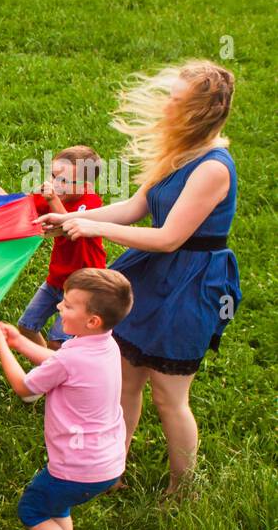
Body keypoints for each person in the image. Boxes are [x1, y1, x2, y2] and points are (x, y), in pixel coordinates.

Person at [39, 61, 239, 492]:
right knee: (126, 379)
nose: (167, 104)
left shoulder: (213, 167)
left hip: (190, 283)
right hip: (149, 276)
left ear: (199, 112)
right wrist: (72, 217)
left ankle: (179, 490)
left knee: (169, 396)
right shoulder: (178, 153)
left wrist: (93, 227)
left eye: (176, 99)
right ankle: (114, 469)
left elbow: (169, 237)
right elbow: (135, 209)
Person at [0, 268, 134, 530]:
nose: (59, 308)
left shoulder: (74, 354)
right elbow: (61, 364)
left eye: (67, 305)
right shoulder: (104, 345)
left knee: (33, 510)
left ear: (92, 320)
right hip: (105, 462)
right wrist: (20, 342)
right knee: (57, 507)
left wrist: (1, 345)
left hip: (76, 466)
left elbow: (24, 387)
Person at [0, 146, 107, 349]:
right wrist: (2, 195)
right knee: (26, 327)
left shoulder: (90, 202)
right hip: (56, 280)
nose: (56, 184)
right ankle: (47, 367)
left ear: (86, 185)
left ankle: (61, 372)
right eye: (53, 176)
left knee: (58, 341)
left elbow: (69, 227)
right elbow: (25, 208)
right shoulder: (54, 194)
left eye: (64, 181)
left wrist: (53, 199)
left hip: (84, 286)